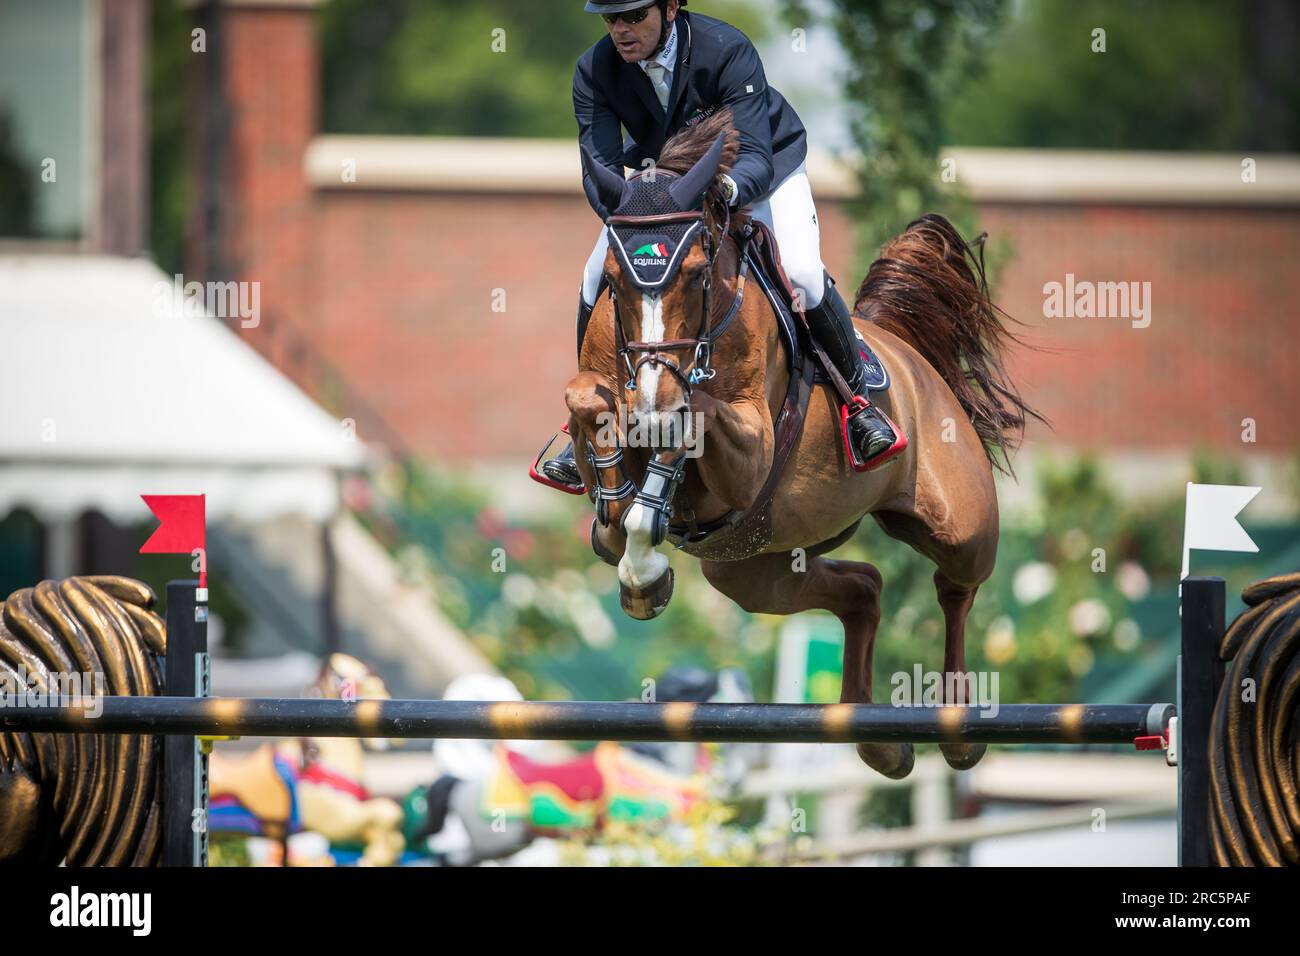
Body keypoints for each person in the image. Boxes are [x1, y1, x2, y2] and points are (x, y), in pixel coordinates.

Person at [540, 0, 899, 489]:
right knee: (592, 275)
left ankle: (858, 403)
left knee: (801, 273)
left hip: (759, 173)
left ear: (669, 8)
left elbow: (753, 154)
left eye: (634, 16)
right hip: (662, 192)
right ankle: (582, 423)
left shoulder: (726, 49)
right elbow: (599, 170)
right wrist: (639, 218)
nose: (621, 30)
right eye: (611, 19)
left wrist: (720, 196)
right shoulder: (593, 70)